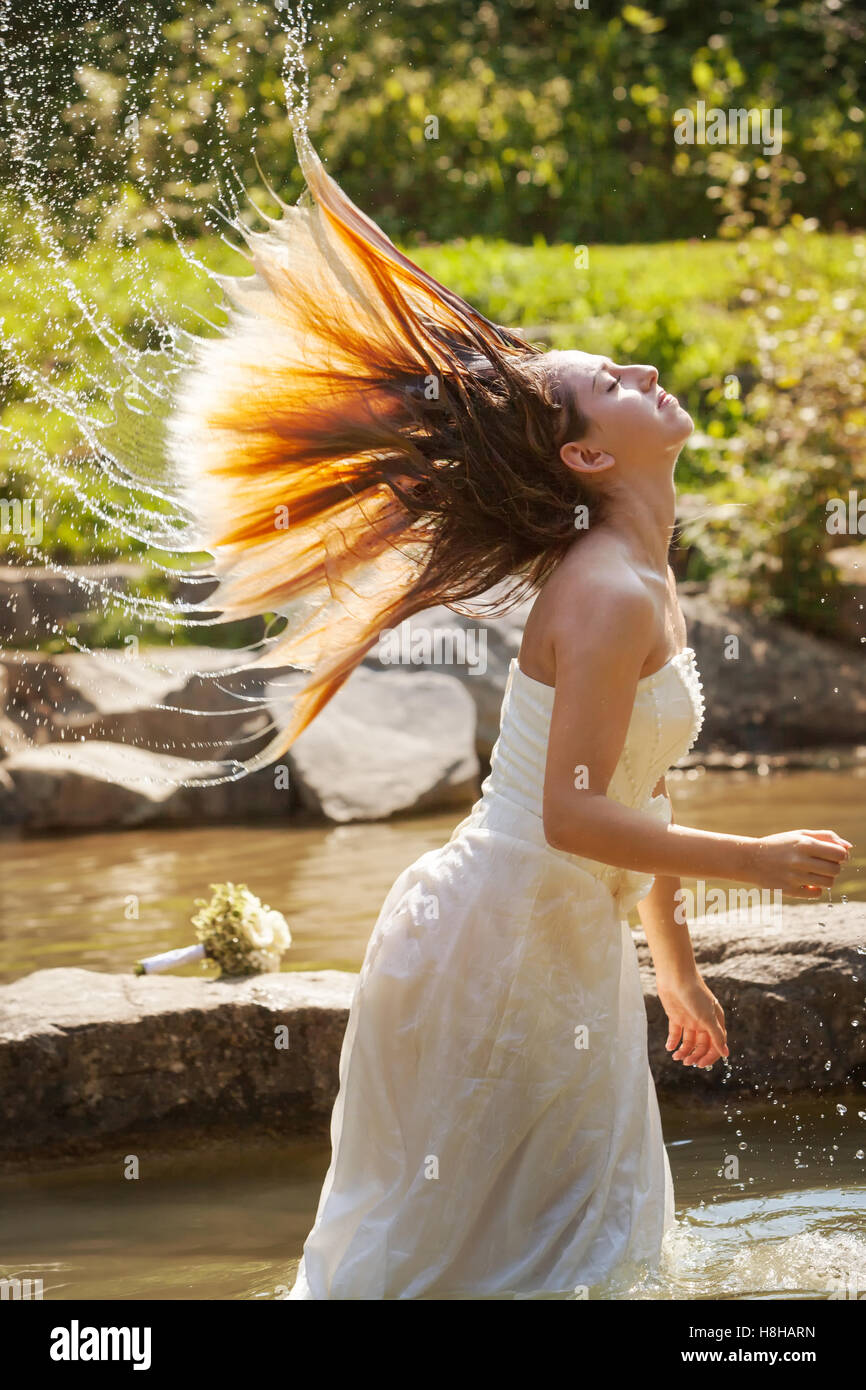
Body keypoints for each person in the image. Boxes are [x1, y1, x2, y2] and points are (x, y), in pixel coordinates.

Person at [167, 126, 852, 1299]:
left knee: (585, 1253)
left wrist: (675, 970)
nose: (637, 373)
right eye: (607, 384)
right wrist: (757, 853)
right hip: (491, 947)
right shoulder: (599, 594)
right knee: (470, 1266)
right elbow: (575, 813)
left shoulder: (641, 575)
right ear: (587, 457)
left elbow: (636, 789)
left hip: (554, 948)